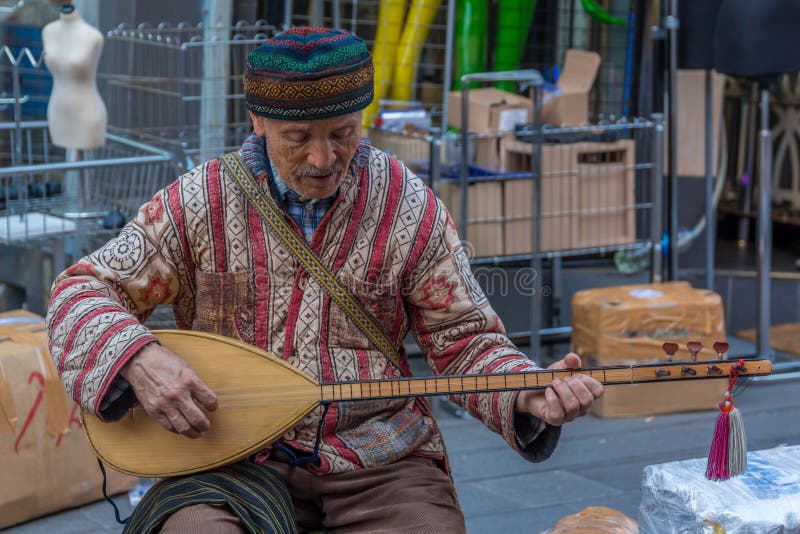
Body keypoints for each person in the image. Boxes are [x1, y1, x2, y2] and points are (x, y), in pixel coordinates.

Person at [46, 27, 603, 533]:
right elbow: (81, 290)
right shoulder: (201, 200)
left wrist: (526, 390)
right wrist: (139, 358)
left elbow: (465, 340)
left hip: (378, 458)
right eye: (298, 137)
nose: (323, 156)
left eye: (342, 133)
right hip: (227, 457)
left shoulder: (407, 201)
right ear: (257, 122)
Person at [42, 3, 107, 149]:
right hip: (57, 112)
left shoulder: (93, 36)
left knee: (83, 166)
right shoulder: (48, 31)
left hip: (87, 113)